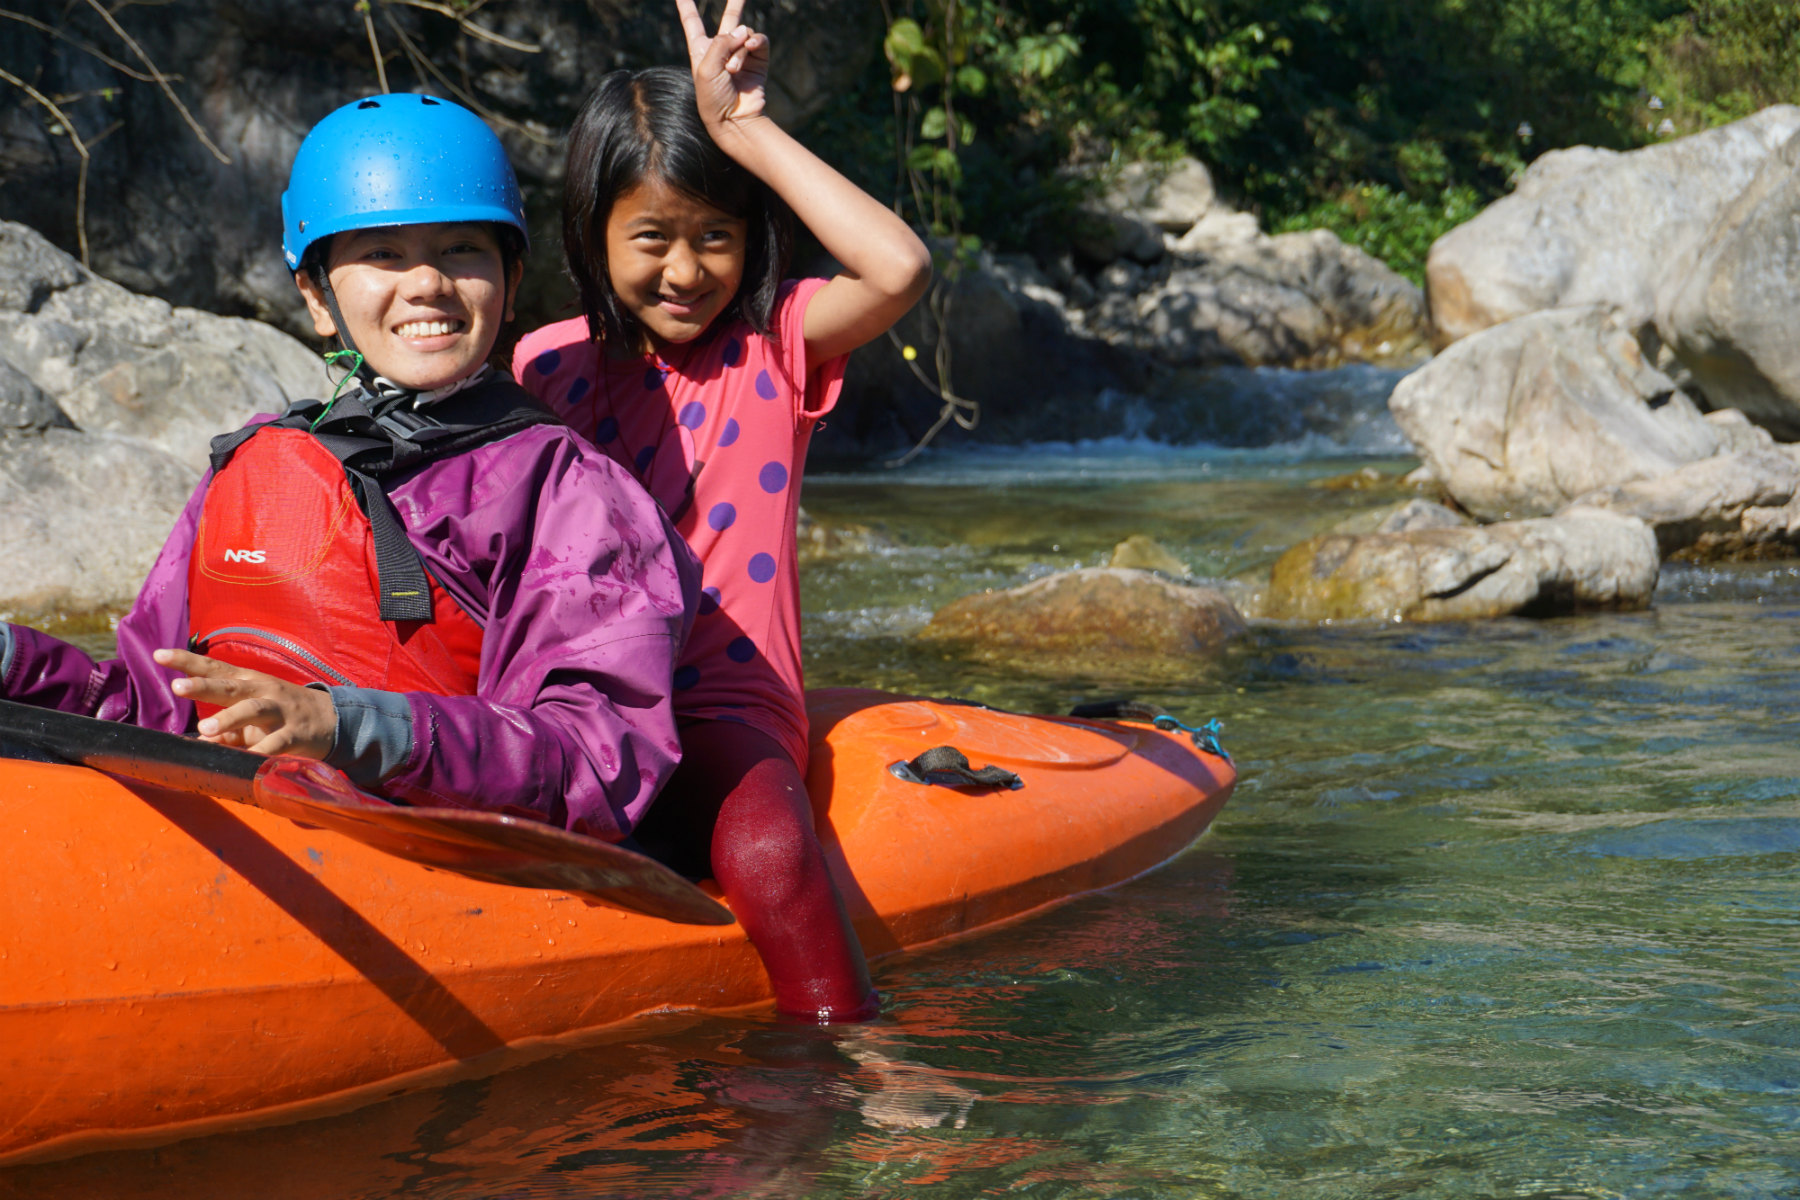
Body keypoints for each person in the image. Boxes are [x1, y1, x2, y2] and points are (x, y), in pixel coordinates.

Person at [0, 94, 698, 840]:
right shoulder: (256, 459)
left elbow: (591, 761)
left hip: (431, 863)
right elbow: (149, 711)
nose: (426, 281)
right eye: (383, 254)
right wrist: (13, 658)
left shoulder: (570, 494)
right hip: (243, 840)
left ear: (512, 279)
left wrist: (343, 727)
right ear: (317, 296)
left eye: (461, 247)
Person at [512, 0, 932, 1021]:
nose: (689, 270)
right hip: (580, 703)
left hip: (726, 711)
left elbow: (901, 267)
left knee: (768, 845)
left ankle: (854, 1048)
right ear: (591, 233)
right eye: (652, 237)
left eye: (718, 238)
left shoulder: (778, 345)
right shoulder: (545, 364)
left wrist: (745, 130)